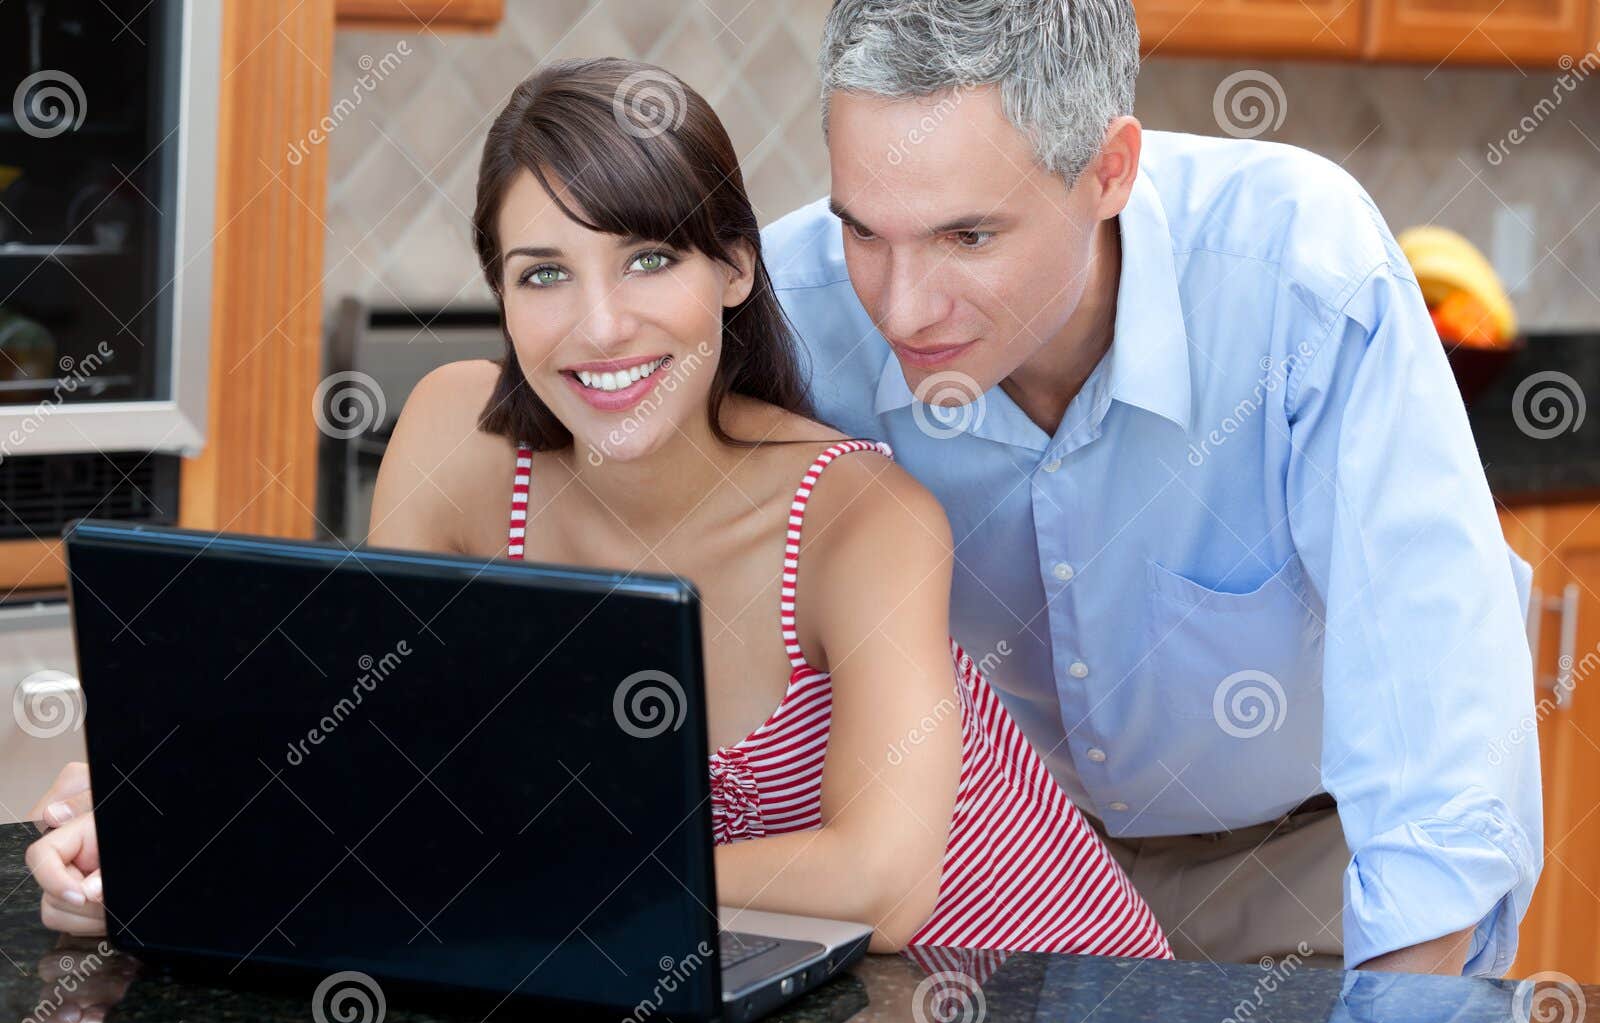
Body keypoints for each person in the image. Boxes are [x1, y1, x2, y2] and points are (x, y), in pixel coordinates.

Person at [24, 57, 1170, 964]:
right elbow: (375, 772)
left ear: (732, 268)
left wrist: (507, 872)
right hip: (732, 993)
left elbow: (882, 884)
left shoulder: (861, 517)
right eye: (542, 273)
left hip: (1034, 997)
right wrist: (158, 828)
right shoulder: (458, 442)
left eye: (648, 258)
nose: (600, 327)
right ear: (499, 295)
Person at [758, 0, 1541, 975]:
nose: (902, 305)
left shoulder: (1303, 271)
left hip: (1305, 876)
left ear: (1108, 172)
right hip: (1003, 874)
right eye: (863, 232)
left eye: (967, 237)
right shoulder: (787, 307)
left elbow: (1435, 721)